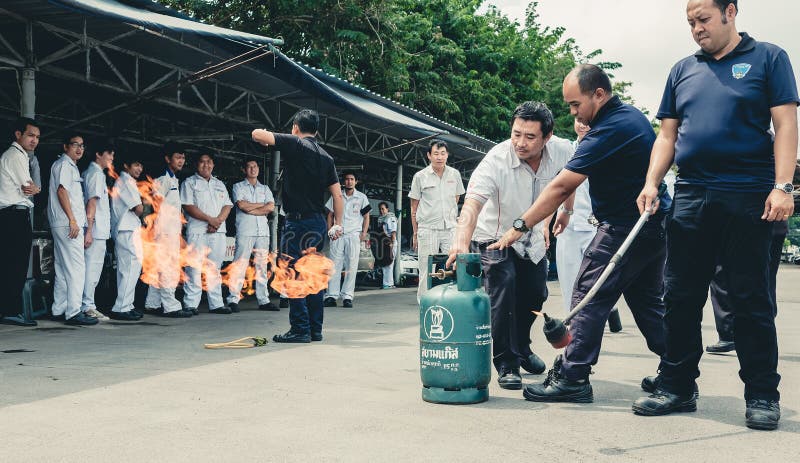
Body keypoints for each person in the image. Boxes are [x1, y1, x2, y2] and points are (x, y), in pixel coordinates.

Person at [632, 0, 798, 431]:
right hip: (691, 193)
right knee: (680, 296)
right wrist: (651, 182)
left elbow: (785, 125)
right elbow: (667, 135)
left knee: (750, 299)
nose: (697, 29)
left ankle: (762, 394)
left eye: (703, 19)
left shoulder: (769, 58)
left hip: (748, 195)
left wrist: (783, 186)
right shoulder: (682, 70)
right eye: (690, 22)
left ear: (730, 12)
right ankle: (677, 386)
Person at [489, 66, 672, 403]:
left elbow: (561, 186)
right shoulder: (630, 117)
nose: (573, 112)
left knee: (589, 294)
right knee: (647, 303)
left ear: (598, 95)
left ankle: (573, 377)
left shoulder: (609, 130)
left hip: (625, 227)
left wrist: (519, 227)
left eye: (576, 104)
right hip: (650, 227)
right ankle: (677, 372)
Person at [446, 101, 573, 390]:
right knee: (504, 289)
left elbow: (570, 179)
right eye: (516, 134)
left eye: (530, 137)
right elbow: (471, 206)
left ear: (547, 137)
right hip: (494, 237)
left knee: (535, 294)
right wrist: (460, 243)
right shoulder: (495, 161)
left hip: (531, 238)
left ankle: (522, 347)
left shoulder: (562, 150)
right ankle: (507, 362)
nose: (520, 143)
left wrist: (566, 210)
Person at [252, 109, 344, 343]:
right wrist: (339, 224)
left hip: (297, 222)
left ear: (295, 127)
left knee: (292, 272)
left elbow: (257, 134)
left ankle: (300, 329)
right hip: (317, 223)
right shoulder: (327, 158)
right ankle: (315, 329)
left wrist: (271, 137)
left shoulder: (295, 143)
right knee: (313, 274)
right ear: (317, 131)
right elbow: (337, 195)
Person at [556, 120, 623, 331]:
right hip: (567, 226)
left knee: (599, 281)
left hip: (597, 227)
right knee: (569, 282)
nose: (583, 125)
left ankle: (608, 312)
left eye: (588, 123)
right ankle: (573, 329)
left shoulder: (608, 150)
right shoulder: (566, 150)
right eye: (579, 121)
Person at [707, 220, 788, 354]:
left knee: (761, 277)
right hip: (738, 221)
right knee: (722, 272)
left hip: (762, 221)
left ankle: (751, 331)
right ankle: (735, 332)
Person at [48, 133, 97, 326]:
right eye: (75, 144)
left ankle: (59, 309)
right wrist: (73, 220)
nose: (79, 149)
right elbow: (62, 191)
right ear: (65, 146)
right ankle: (74, 311)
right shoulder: (65, 165)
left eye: (82, 145)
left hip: (63, 223)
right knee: (77, 268)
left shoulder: (68, 166)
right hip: (68, 224)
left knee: (62, 268)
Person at [409, 140, 465, 301]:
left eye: (443, 153)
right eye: (436, 153)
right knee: (426, 269)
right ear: (429, 155)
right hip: (428, 229)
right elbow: (414, 207)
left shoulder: (454, 174)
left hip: (450, 228)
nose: (439, 157)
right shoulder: (420, 177)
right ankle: (424, 303)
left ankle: (451, 301)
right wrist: (415, 232)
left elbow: (456, 198)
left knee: (453, 265)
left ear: (447, 155)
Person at [0, 117, 42, 327]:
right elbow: (28, 187)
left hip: (11, 215)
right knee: (15, 265)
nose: (34, 140)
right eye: (30, 135)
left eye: (37, 137)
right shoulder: (16, 155)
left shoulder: (17, 155)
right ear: (18, 134)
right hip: (14, 215)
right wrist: (37, 189)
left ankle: (8, 310)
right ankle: (11, 311)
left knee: (10, 263)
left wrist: (35, 188)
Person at [181, 153, 233, 315]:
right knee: (194, 268)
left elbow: (227, 205)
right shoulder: (189, 183)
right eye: (202, 162)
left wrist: (217, 222)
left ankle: (216, 304)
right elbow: (188, 206)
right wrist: (211, 220)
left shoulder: (219, 184)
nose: (206, 165)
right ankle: (191, 304)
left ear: (213, 164)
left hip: (218, 231)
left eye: (209, 162)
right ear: (196, 165)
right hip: (197, 231)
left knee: (214, 268)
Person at [144, 143, 192, 318]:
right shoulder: (163, 179)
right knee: (169, 268)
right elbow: (154, 206)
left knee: (159, 268)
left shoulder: (173, 179)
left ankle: (153, 303)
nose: (181, 161)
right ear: (167, 159)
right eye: (178, 157)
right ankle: (170, 306)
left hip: (170, 231)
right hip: (164, 232)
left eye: (183, 158)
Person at [226, 159, 276, 312]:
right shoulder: (238, 186)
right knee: (240, 264)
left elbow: (271, 207)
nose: (253, 169)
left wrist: (251, 208)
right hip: (245, 230)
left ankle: (263, 300)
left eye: (255, 166)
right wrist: (261, 205)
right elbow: (242, 206)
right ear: (244, 169)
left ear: (258, 168)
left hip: (262, 232)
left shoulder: (265, 188)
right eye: (249, 167)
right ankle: (233, 299)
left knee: (262, 266)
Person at [324, 171, 370, 308]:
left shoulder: (361, 197)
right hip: (338, 235)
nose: (349, 181)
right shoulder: (337, 196)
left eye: (352, 179)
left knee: (351, 266)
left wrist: (364, 233)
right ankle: (331, 296)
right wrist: (330, 230)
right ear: (343, 182)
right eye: (347, 179)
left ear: (356, 181)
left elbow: (366, 216)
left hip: (353, 235)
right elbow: (330, 215)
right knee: (334, 265)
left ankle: (347, 297)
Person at [79, 139, 114, 321]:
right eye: (109, 154)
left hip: (97, 230)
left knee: (91, 269)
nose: (112, 158)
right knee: (91, 270)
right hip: (96, 230)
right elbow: (91, 203)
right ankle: (87, 306)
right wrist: (89, 231)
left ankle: (86, 304)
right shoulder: (95, 174)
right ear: (98, 154)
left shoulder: (93, 173)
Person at [110, 154, 145, 320]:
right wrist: (142, 211)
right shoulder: (126, 181)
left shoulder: (123, 181)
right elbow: (138, 208)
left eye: (141, 165)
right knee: (131, 267)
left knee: (126, 270)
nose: (139, 169)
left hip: (125, 229)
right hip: (128, 229)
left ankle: (126, 305)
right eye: (136, 164)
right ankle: (122, 307)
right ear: (126, 165)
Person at [377, 201, 398, 289]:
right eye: (380, 209)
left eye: (383, 209)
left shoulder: (390, 218)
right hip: (383, 243)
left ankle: (389, 283)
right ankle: (387, 283)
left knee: (390, 262)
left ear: (387, 209)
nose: (381, 211)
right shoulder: (381, 219)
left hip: (390, 242)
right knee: (385, 263)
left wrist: (392, 243)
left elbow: (393, 232)